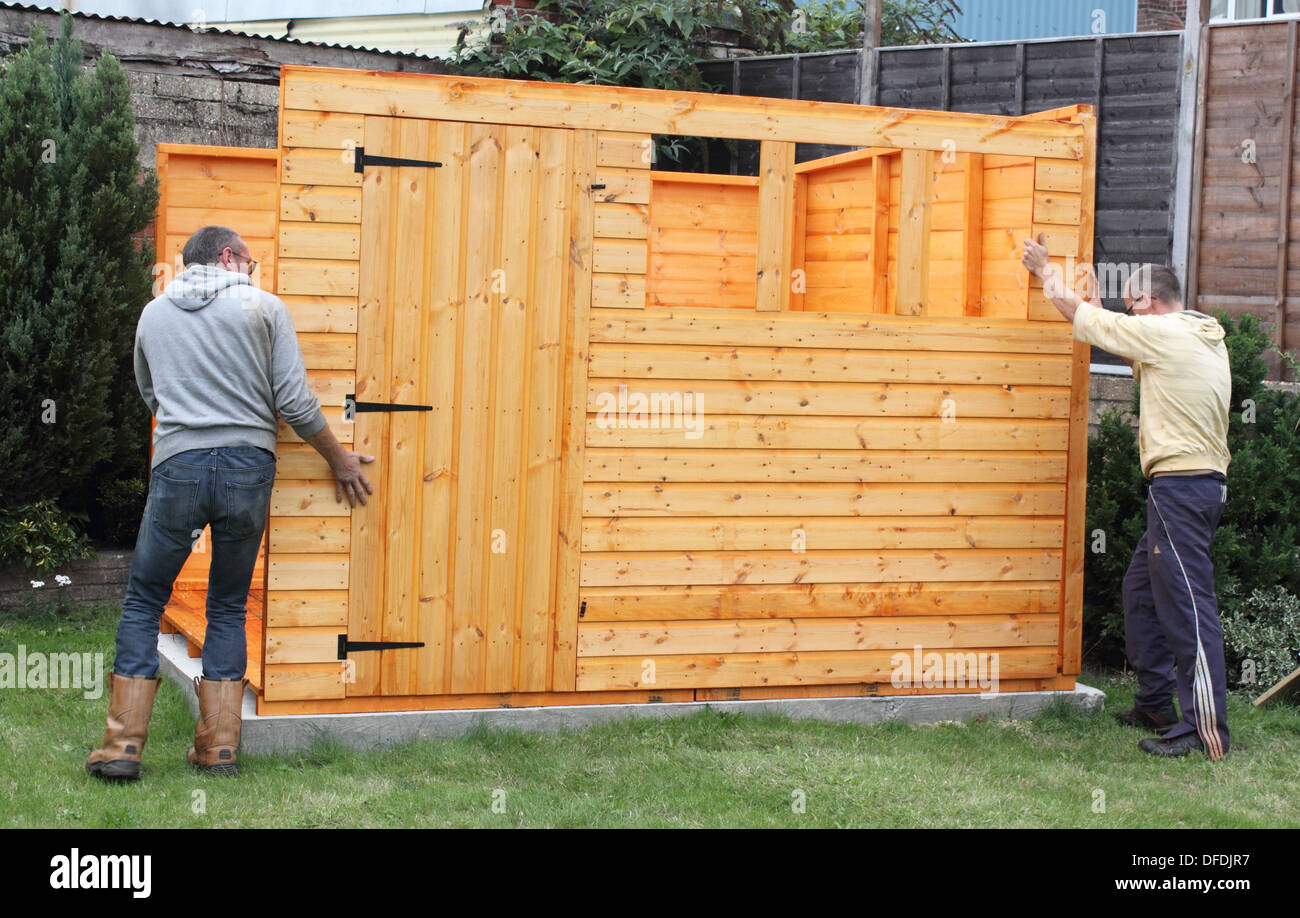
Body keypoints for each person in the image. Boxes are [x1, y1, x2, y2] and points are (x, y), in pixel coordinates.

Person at [87, 225, 374, 781]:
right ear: (228, 257)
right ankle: (218, 749)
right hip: (249, 468)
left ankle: (123, 748)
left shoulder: (153, 314)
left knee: (145, 600)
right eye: (252, 261)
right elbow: (291, 399)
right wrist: (338, 458)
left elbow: (151, 394)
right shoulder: (264, 307)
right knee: (226, 603)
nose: (256, 271)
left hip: (179, 467)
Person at [1021, 239, 1232, 761]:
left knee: (1189, 607)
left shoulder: (1166, 334)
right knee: (1141, 591)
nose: (1127, 314)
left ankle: (1207, 731)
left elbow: (1086, 318)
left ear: (1152, 303)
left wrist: (1046, 273)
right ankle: (1156, 704)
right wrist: (1095, 308)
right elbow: (1113, 332)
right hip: (1191, 488)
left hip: (1181, 489)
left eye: (1131, 304)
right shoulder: (1199, 336)